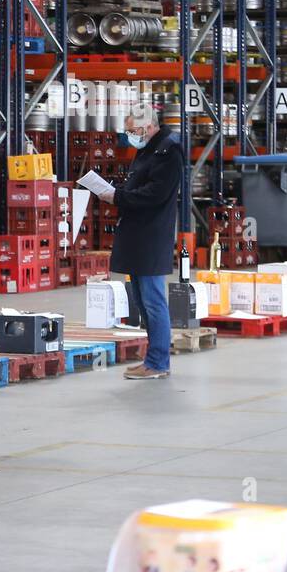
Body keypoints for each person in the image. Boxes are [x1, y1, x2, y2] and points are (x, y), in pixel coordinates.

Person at [96, 112, 180, 380]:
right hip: (138, 236)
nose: (130, 136)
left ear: (149, 127)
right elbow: (139, 185)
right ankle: (152, 359)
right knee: (143, 301)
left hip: (151, 238)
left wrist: (118, 196)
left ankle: (158, 363)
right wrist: (116, 192)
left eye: (133, 130)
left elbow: (156, 194)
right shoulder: (149, 150)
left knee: (154, 301)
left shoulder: (168, 152)